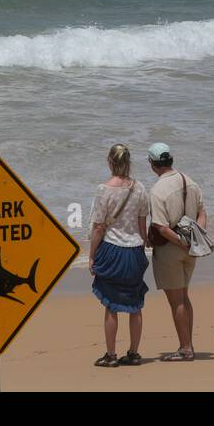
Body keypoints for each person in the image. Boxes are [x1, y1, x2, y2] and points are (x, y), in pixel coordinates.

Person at [88, 143, 150, 368]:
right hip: (134, 251)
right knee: (136, 304)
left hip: (112, 250)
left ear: (110, 162)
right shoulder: (140, 188)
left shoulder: (104, 189)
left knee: (111, 305)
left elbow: (97, 227)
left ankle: (111, 355)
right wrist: (144, 244)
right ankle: (134, 353)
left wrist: (92, 255)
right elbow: (143, 225)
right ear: (129, 163)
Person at [146, 142, 206, 361]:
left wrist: (182, 243)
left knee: (176, 301)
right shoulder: (189, 181)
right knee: (184, 296)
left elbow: (161, 227)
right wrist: (195, 238)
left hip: (172, 250)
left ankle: (185, 348)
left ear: (152, 164)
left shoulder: (157, 190)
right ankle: (188, 344)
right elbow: (201, 213)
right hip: (191, 248)